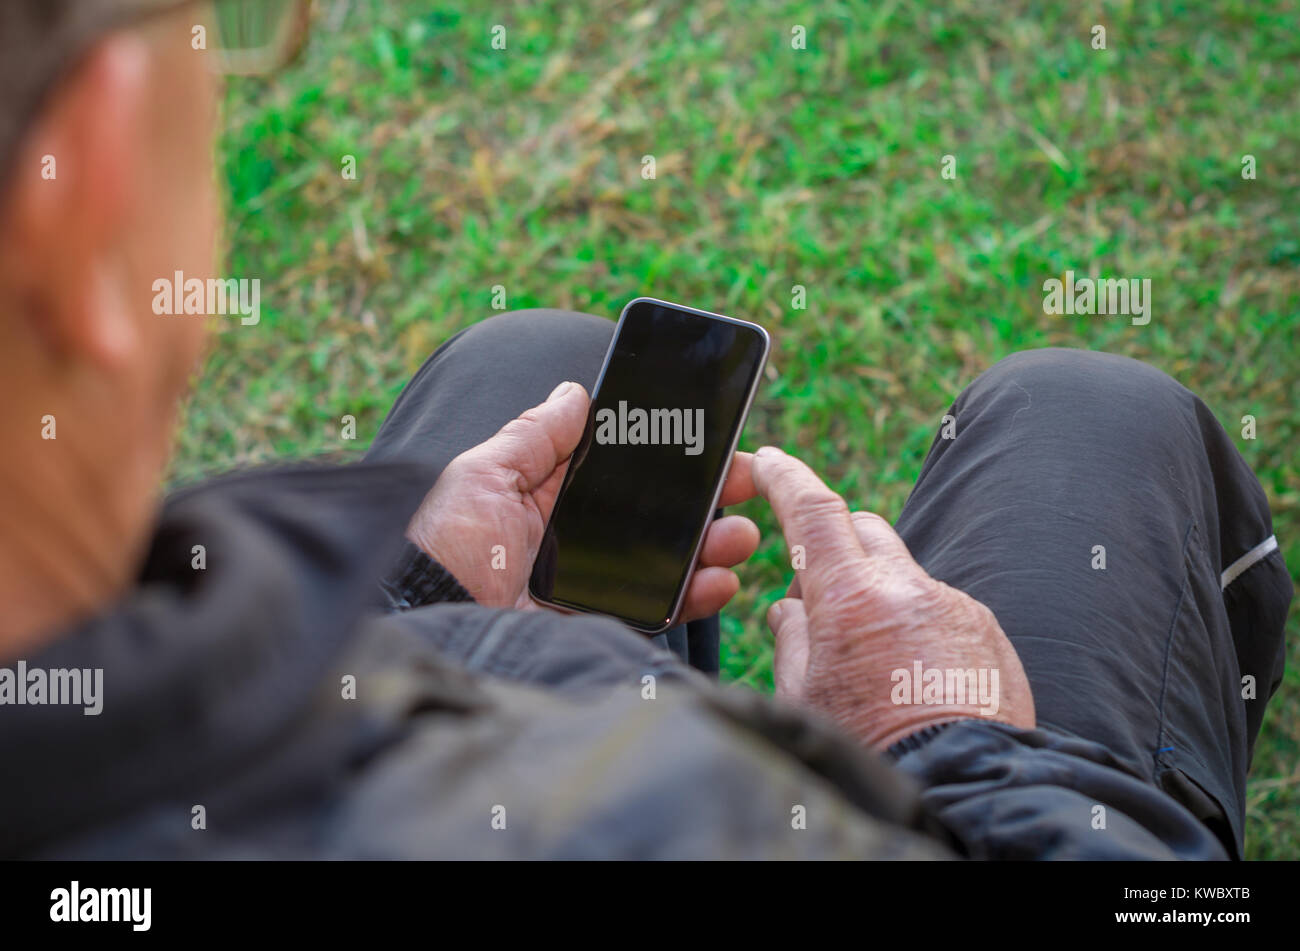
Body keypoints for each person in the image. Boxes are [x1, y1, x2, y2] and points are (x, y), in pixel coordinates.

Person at [0, 0, 1289, 860]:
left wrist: (419, 604)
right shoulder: (679, 819)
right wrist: (947, 744)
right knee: (1091, 413)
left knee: (536, 360)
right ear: (89, 189)